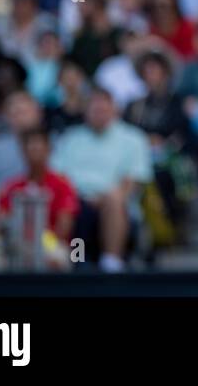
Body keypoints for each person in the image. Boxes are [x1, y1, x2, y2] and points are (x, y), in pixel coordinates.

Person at [51, 87, 152, 272]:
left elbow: (133, 182)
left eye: (104, 109)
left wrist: (103, 199)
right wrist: (77, 198)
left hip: (115, 203)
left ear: (114, 109)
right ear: (85, 110)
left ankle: (111, 262)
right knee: (62, 203)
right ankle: (64, 262)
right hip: (75, 200)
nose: (99, 113)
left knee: (114, 198)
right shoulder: (70, 139)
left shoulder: (133, 138)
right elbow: (58, 177)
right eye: (94, 109)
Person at [0, 127, 81, 243]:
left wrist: (43, 245)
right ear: (23, 151)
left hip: (52, 247)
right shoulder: (12, 186)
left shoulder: (62, 184)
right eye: (31, 148)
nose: (35, 152)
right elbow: (2, 221)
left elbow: (64, 228)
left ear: (49, 150)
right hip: (17, 247)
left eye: (38, 147)